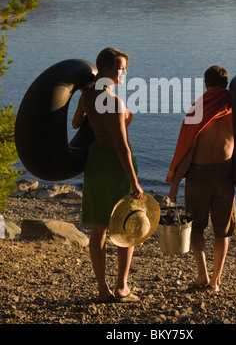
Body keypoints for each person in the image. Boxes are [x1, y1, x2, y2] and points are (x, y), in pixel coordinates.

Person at [72, 47, 143, 303]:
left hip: (96, 163)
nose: (123, 72)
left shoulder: (88, 96)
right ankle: (122, 287)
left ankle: (103, 290)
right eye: (119, 67)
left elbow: (76, 124)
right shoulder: (114, 102)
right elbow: (122, 146)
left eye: (124, 67)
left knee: (99, 229)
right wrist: (134, 181)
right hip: (116, 165)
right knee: (128, 227)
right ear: (104, 69)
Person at [167, 65, 236, 293]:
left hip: (198, 174)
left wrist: (175, 183)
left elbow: (187, 150)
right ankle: (216, 281)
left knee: (196, 228)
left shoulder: (198, 108)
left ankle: (202, 275)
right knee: (222, 230)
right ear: (225, 84)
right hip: (226, 174)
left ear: (206, 84)